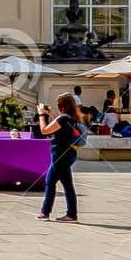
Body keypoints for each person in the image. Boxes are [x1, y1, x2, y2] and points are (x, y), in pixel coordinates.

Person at [36, 93, 82, 223]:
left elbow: (44, 130)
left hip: (60, 155)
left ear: (62, 106)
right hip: (68, 153)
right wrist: (51, 114)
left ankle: (71, 214)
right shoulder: (70, 118)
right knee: (50, 181)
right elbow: (59, 124)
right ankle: (45, 212)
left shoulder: (63, 119)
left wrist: (41, 114)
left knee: (67, 184)